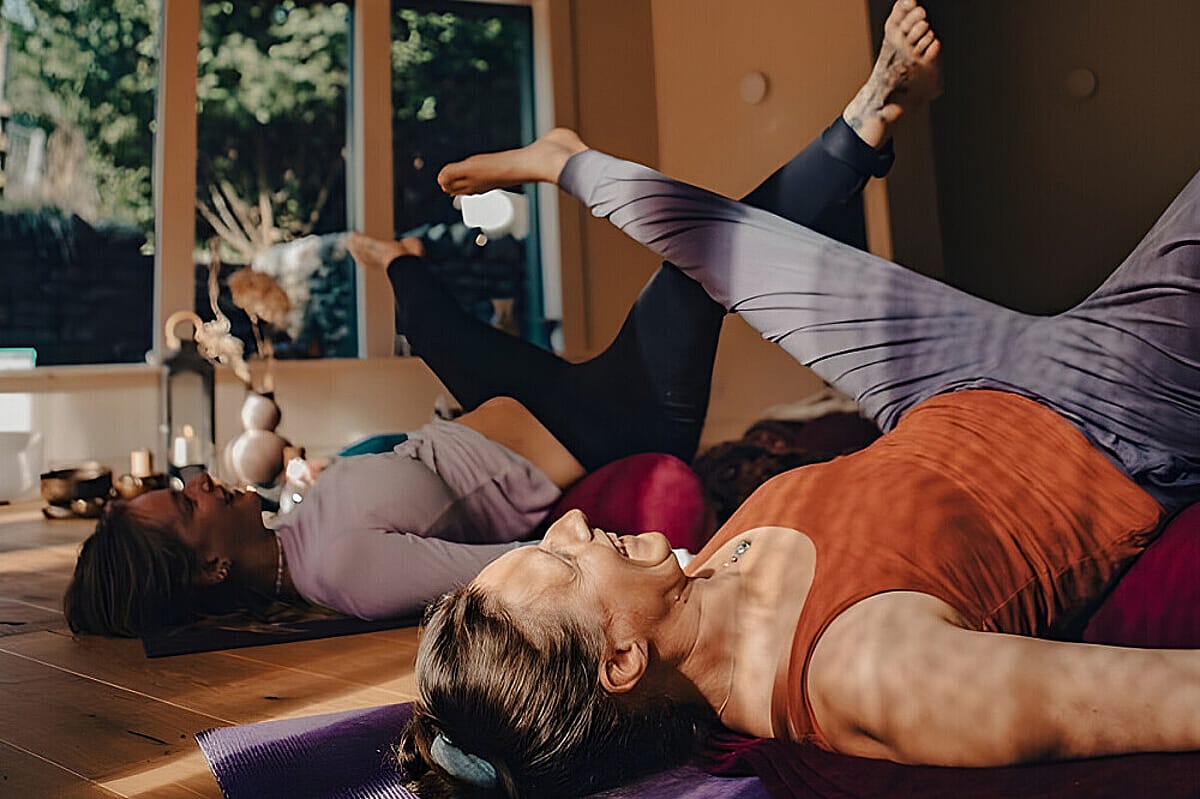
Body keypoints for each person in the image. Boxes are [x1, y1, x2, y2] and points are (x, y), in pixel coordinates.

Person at [400, 3, 1200, 797]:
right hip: (1103, 412)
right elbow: (1172, 702)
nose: (569, 523)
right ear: (619, 659)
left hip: (938, 391)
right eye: (559, 558)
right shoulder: (873, 677)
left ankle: (579, 161)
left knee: (720, 254)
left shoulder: (693, 586)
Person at [59, 8, 934, 638]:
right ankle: (862, 129)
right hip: (594, 429)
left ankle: (403, 257)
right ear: (210, 566)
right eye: (184, 503)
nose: (200, 482)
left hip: (511, 412)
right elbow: (523, 565)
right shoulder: (346, 574)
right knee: (694, 271)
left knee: (435, 333)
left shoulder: (296, 526)